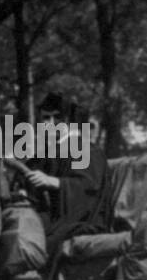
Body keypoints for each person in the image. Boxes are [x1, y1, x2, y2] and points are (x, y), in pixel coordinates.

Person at [21, 93, 109, 253]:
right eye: (46, 118)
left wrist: (52, 181)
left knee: (33, 240)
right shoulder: (46, 152)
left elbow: (88, 188)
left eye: (57, 117)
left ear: (69, 120)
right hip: (50, 215)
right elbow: (27, 179)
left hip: (80, 219)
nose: (51, 123)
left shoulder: (86, 149)